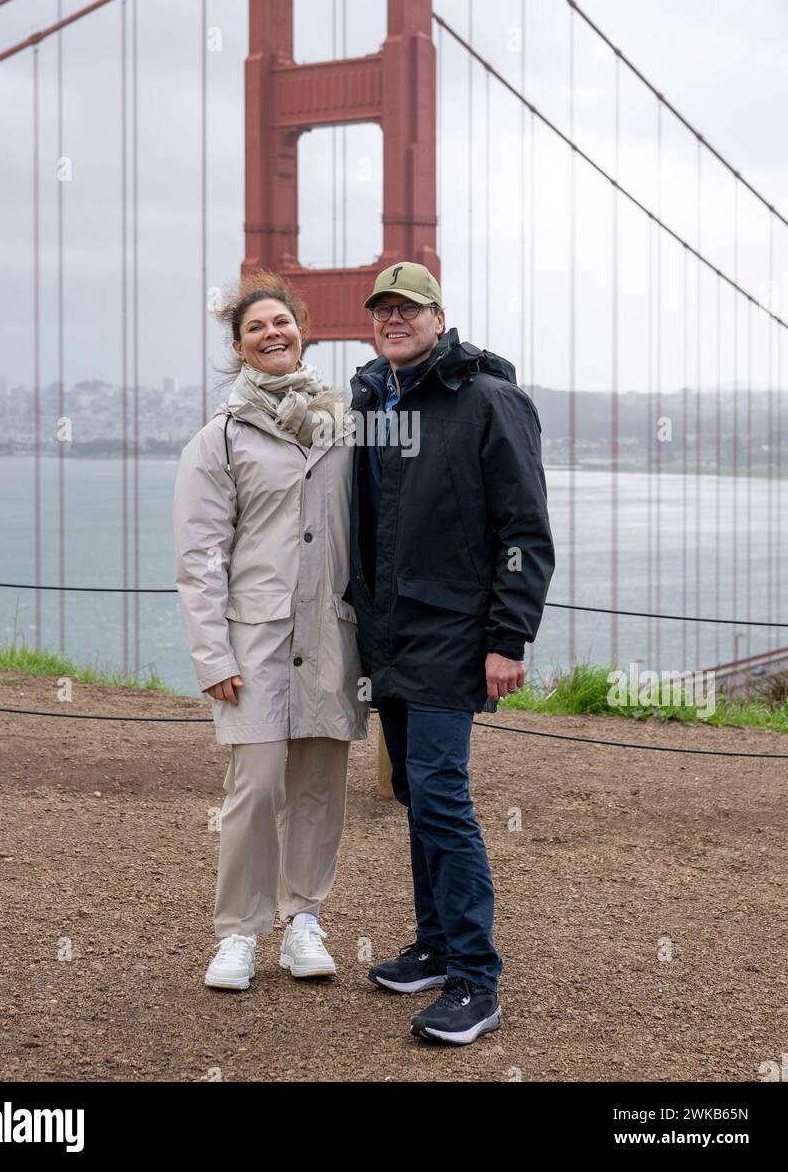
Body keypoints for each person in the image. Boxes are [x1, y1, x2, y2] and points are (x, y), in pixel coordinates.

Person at [346, 260, 555, 1044]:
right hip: (390, 634)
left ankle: (475, 979)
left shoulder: (491, 402)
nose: (394, 320)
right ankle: (434, 946)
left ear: (441, 318)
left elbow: (524, 529)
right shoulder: (373, 398)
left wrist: (509, 637)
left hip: (453, 635)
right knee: (411, 791)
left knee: (441, 795)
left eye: (410, 309)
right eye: (383, 311)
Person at [172, 269, 368, 991]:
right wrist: (210, 653)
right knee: (254, 788)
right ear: (238, 347)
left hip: (331, 634)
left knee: (320, 786)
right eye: (255, 327)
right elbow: (199, 558)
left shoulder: (348, 425)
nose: (271, 333)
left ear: (302, 330)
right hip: (252, 642)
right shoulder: (219, 439)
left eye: (281, 322)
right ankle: (239, 933)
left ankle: (305, 921)